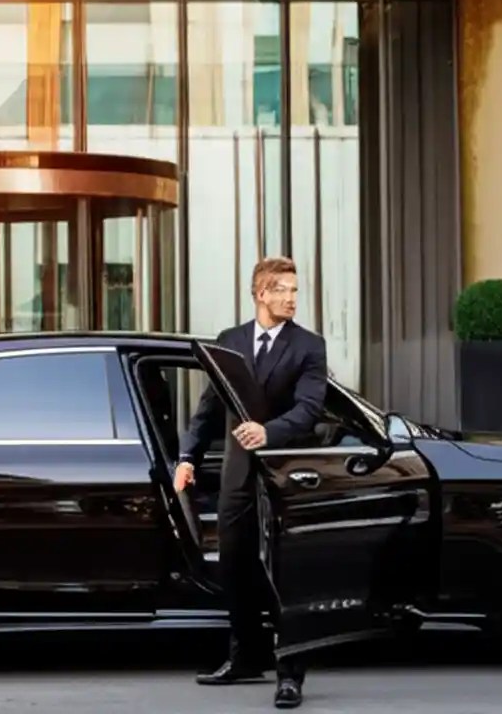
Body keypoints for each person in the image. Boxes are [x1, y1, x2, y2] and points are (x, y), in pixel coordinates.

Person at [175, 256, 328, 709]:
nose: (292, 298)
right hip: (236, 478)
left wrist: (269, 432)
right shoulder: (230, 342)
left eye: (296, 291)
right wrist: (187, 457)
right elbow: (208, 408)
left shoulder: (309, 347)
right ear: (261, 293)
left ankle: (290, 674)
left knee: (282, 576)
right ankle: (244, 657)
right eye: (283, 290)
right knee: (236, 568)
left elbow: (309, 409)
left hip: (284, 476)